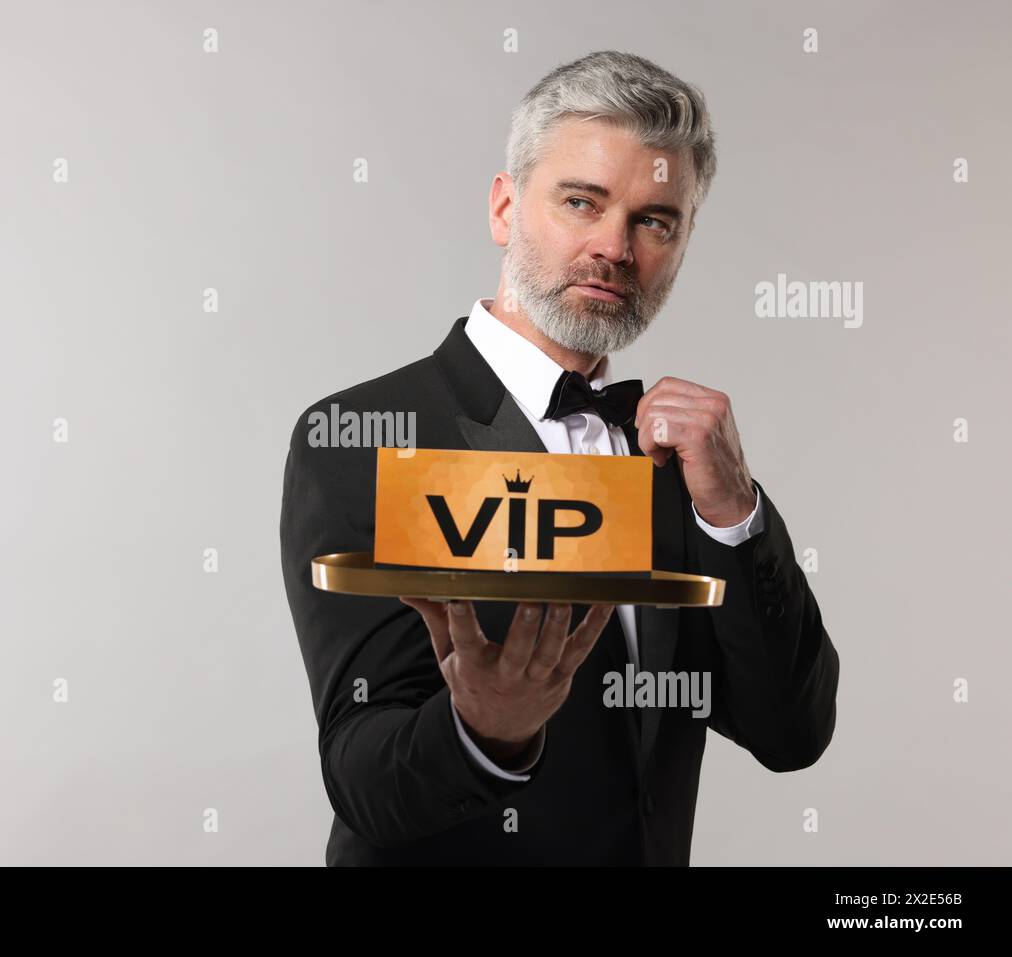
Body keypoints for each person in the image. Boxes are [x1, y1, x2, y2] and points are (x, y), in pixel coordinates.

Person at [279, 50, 839, 866]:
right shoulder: (366, 435)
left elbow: (791, 730)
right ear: (505, 208)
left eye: (655, 220)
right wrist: (483, 730)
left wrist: (734, 513)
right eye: (582, 201)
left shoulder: (684, 466)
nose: (614, 247)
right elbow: (362, 775)